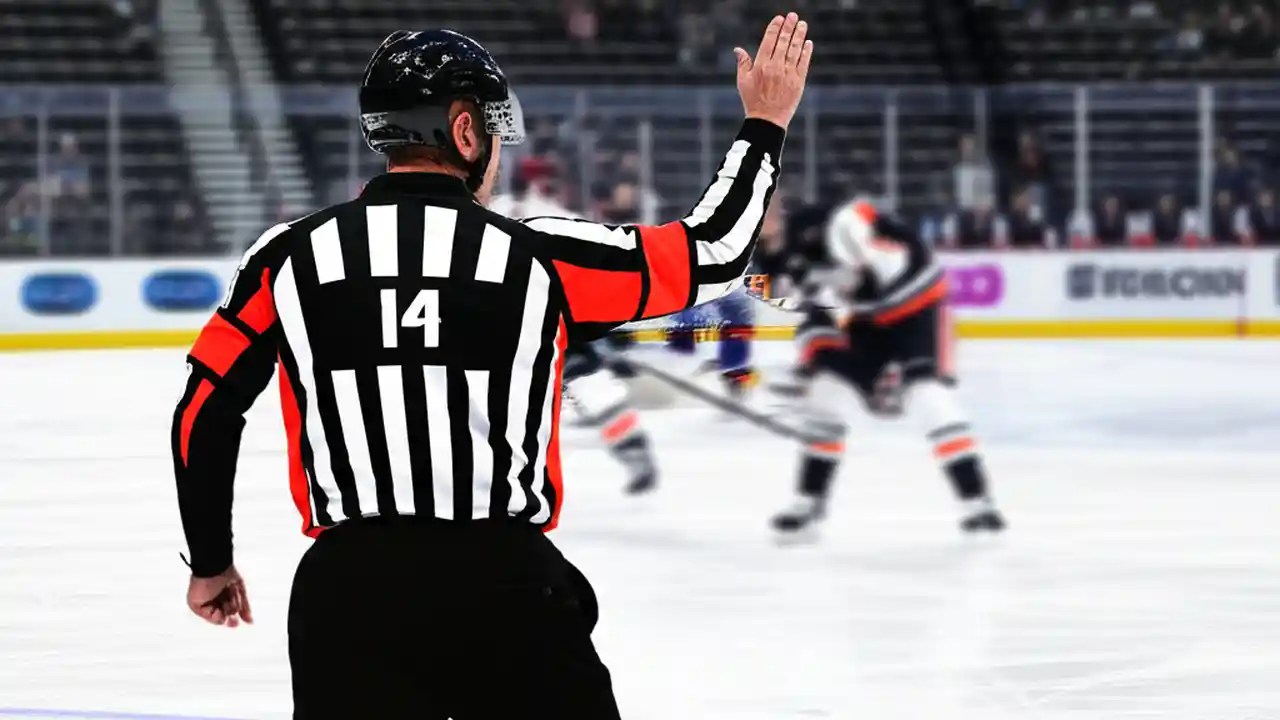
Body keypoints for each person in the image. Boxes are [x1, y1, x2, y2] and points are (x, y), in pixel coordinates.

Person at [170, 18, 810, 718]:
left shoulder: (285, 256)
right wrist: (764, 123)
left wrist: (210, 560)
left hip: (347, 597)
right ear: (465, 132)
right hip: (504, 587)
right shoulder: (537, 255)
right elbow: (713, 253)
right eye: (494, 129)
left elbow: (205, 410)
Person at [750, 198, 1006, 539]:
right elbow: (812, 314)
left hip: (919, 306)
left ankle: (978, 501)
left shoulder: (830, 220)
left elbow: (882, 251)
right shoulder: (763, 264)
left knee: (927, 397)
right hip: (867, 317)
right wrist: (813, 367)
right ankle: (809, 501)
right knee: (826, 395)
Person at [489, 160, 661, 495]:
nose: (551, 185)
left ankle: (634, 453)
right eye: (544, 180)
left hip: (541, 326)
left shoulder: (551, 216)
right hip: (510, 327)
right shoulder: (506, 212)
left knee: (592, 388)